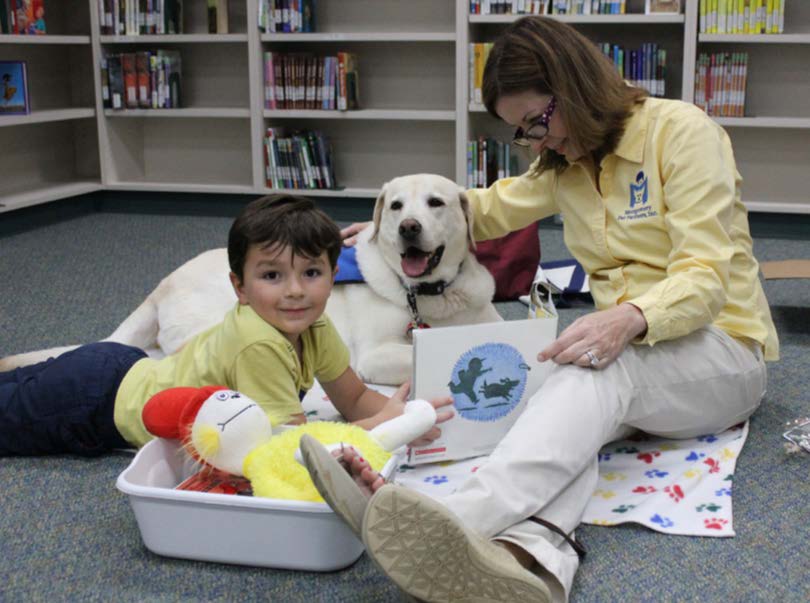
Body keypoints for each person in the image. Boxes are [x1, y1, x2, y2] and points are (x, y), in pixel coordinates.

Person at [302, 16, 778, 603]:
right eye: (521, 132)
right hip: (630, 354)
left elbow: (705, 279)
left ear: (575, 85)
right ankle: (534, 561)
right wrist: (394, 227)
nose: (537, 140)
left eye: (538, 121)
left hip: (724, 351)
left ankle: (455, 516)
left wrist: (628, 318)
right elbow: (485, 206)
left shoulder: (682, 134)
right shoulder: (565, 163)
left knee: (591, 366)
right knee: (548, 389)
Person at [0, 194, 452, 457]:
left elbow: (353, 397)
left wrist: (398, 418)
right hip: (93, 406)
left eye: (311, 274)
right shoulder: (258, 342)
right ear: (239, 287)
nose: (295, 291)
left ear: (334, 278)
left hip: (121, 369)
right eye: (272, 276)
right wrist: (376, 431)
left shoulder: (315, 328)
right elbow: (288, 443)